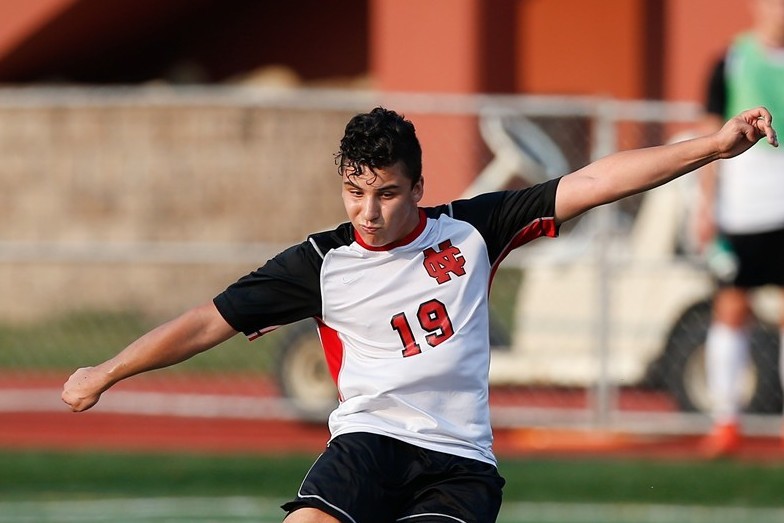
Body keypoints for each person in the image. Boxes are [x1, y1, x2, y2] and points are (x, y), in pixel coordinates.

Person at [62, 105, 777, 522]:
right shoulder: (321, 262)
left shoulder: (473, 230)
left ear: (418, 187)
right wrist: (107, 370)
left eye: (386, 194)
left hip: (459, 463)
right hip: (367, 443)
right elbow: (206, 320)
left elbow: (594, 182)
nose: (369, 212)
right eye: (355, 192)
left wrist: (714, 148)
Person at [695, 0, 784, 458]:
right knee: (732, 308)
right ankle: (726, 420)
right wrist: (706, 205)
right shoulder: (731, 60)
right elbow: (712, 136)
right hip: (742, 211)